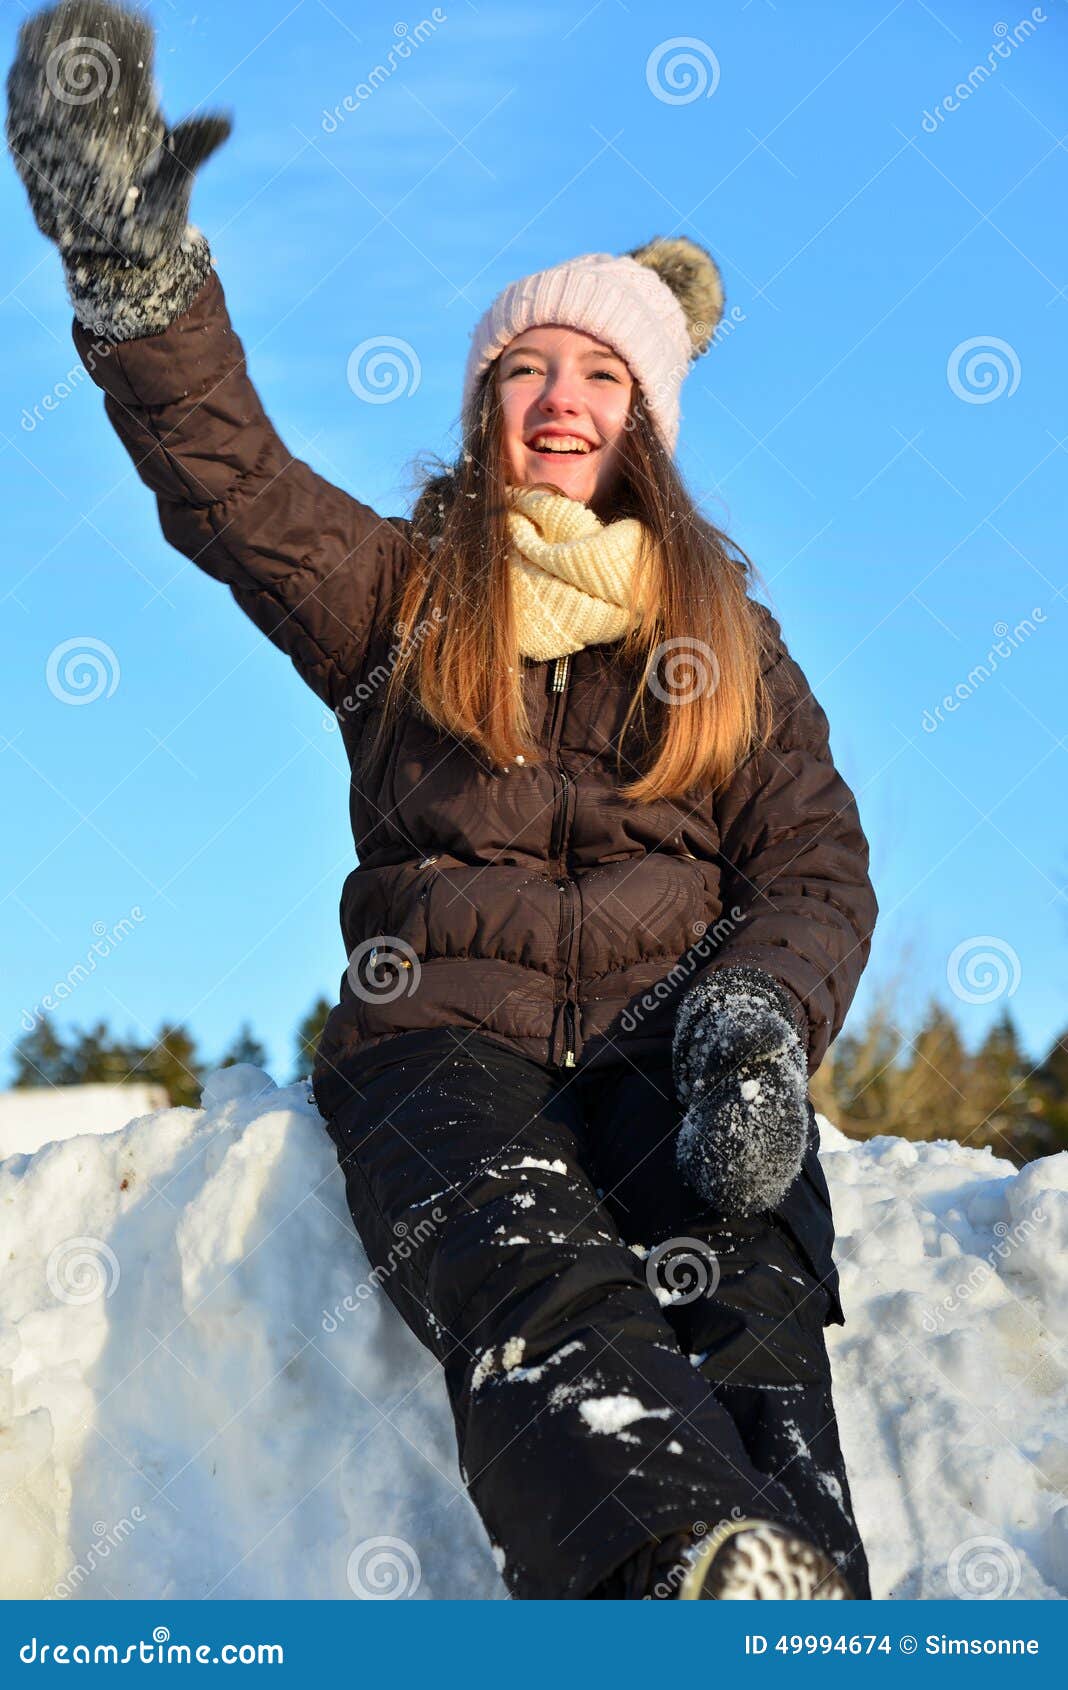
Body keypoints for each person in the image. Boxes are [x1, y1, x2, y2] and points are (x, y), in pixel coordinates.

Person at [7, 0, 880, 1602]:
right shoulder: (406, 598)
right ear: (484, 404)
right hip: (442, 1047)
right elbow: (232, 479)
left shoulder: (728, 643)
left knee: (750, 1287)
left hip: (671, 1034)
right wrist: (138, 274)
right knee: (529, 1276)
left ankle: (804, 1598)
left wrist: (755, 1018)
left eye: (602, 373)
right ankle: (674, 1570)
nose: (560, 398)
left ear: (646, 423)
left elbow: (813, 855)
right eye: (526, 368)